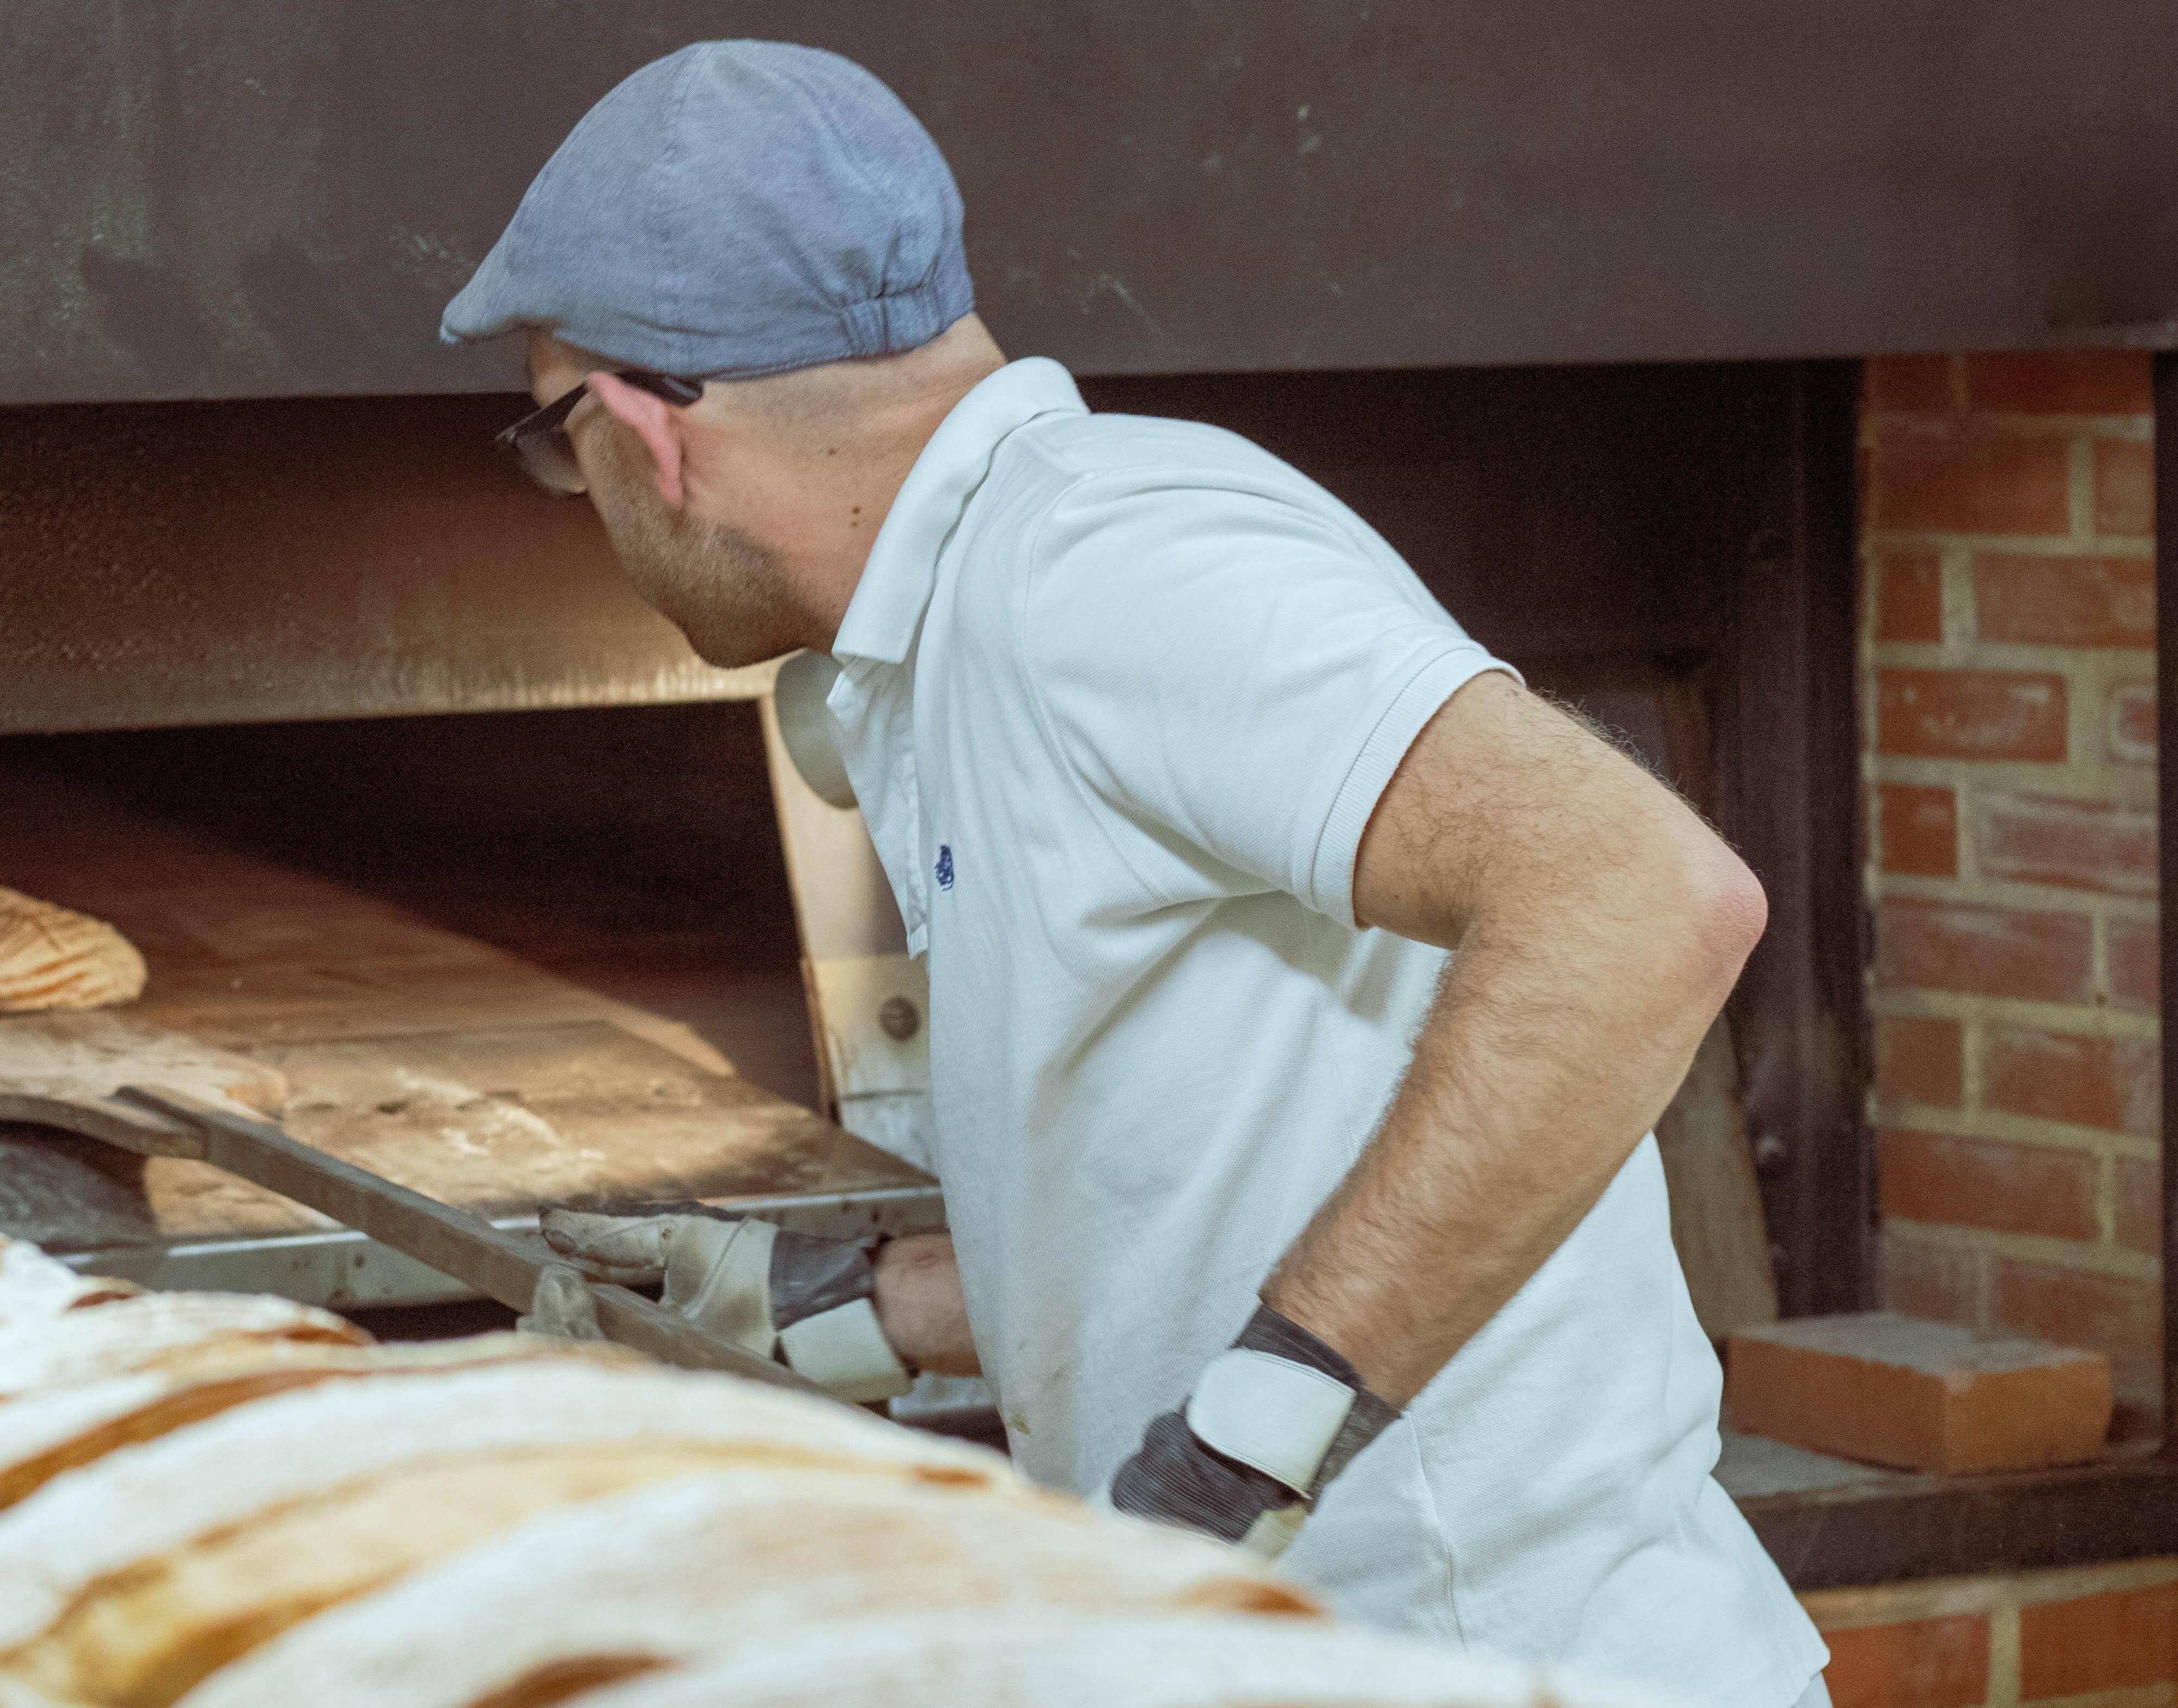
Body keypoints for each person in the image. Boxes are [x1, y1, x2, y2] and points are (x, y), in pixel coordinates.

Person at [445, 40, 1832, 1708]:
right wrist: (868, 1309)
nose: (573, 492)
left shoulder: (1102, 570)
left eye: (553, 439)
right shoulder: (970, 612)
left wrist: (1246, 1448)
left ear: (649, 430)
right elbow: (1227, 1153)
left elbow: (1643, 899)